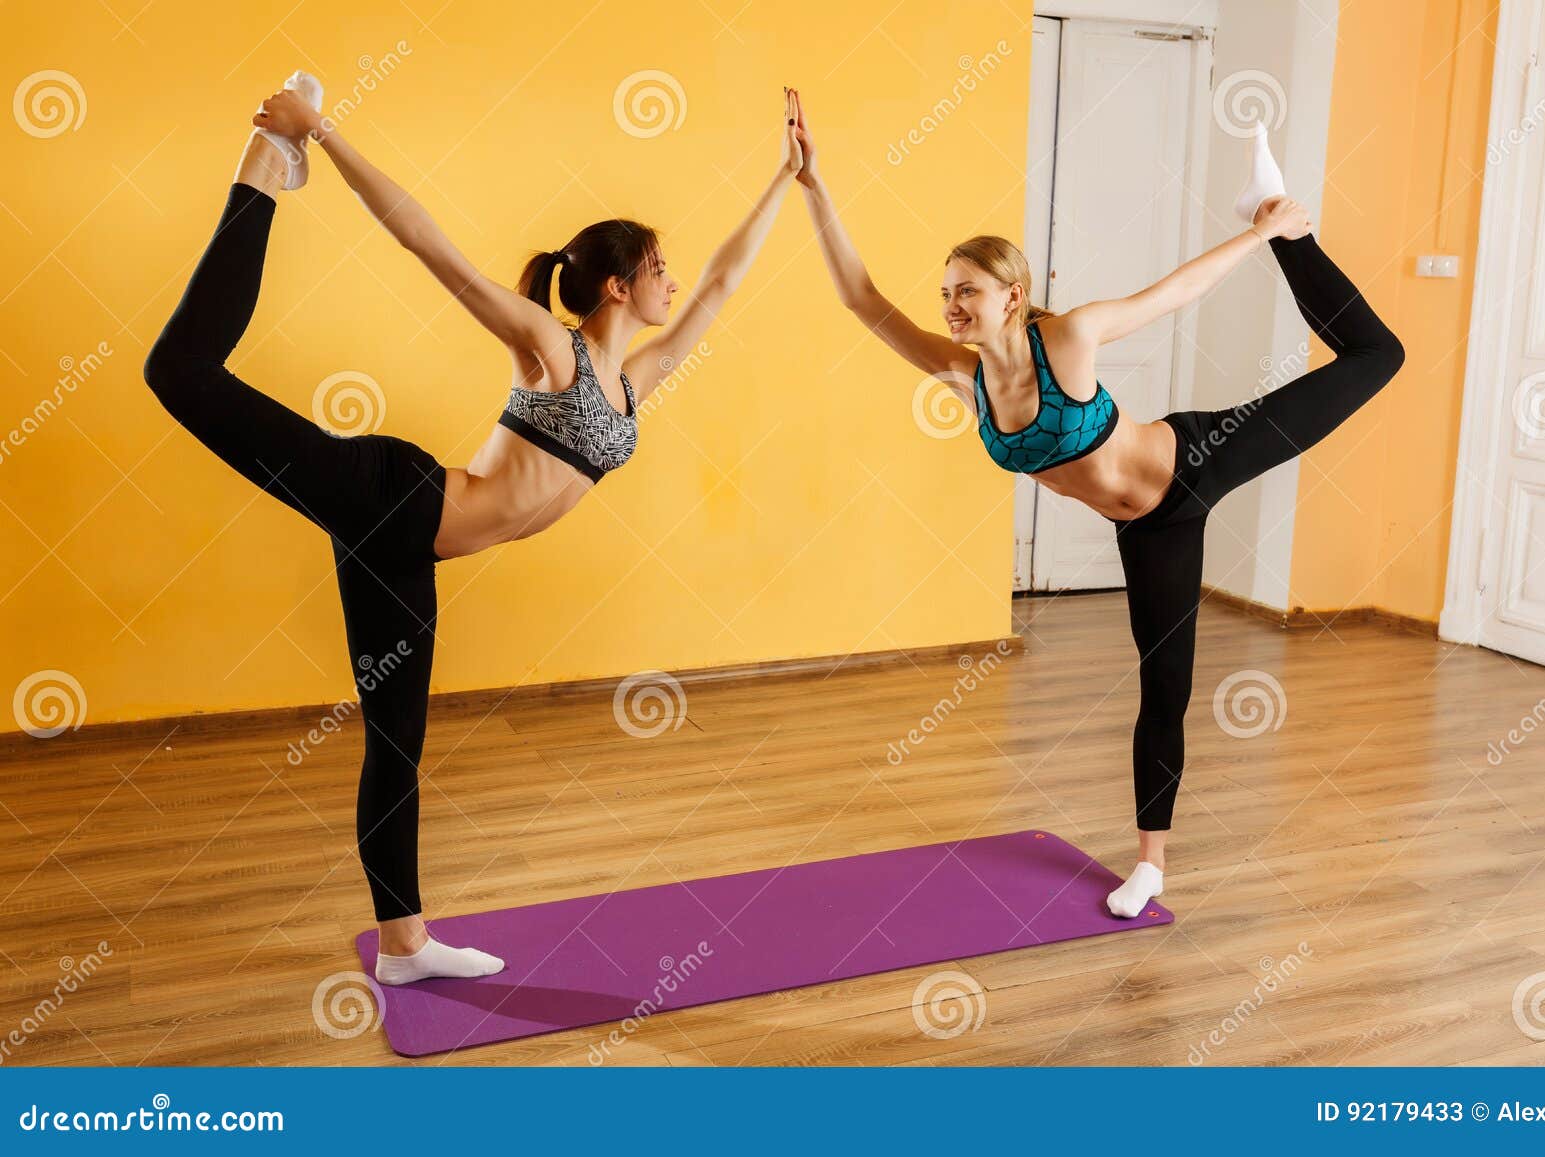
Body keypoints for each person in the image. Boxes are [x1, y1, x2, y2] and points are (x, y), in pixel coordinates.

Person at [143, 72, 804, 982]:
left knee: (395, 743)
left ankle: (404, 946)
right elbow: (431, 246)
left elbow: (721, 285)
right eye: (659, 270)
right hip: (395, 496)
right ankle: (267, 163)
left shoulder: (633, 383)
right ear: (617, 286)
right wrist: (320, 132)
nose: (674, 283)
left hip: (406, 550)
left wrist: (785, 176)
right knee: (179, 371)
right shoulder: (552, 349)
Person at [788, 90, 1403, 918]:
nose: (950, 306)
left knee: (1377, 355)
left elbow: (1173, 293)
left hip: (1198, 458)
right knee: (1165, 686)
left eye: (966, 290)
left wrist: (1262, 233)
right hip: (1148, 528)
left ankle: (1283, 220)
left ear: (1012, 295)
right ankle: (1152, 866)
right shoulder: (964, 377)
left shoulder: (1068, 338)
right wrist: (813, 184)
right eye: (944, 293)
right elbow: (862, 299)